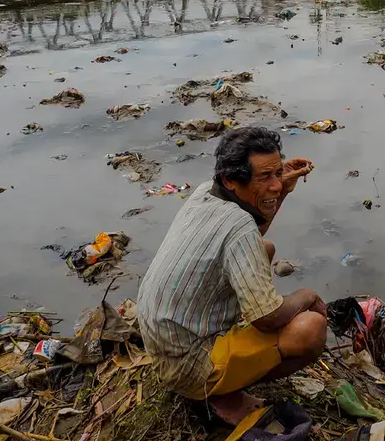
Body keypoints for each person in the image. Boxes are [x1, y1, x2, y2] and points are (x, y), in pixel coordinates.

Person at [138, 127, 327, 424]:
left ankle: (226, 376)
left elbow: (252, 233)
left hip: (166, 346)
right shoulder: (238, 225)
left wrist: (281, 189)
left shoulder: (206, 193)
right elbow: (267, 318)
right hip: (189, 366)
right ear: (230, 180)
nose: (276, 184)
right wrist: (307, 296)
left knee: (264, 249)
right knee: (310, 329)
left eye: (278, 173)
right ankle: (224, 392)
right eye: (265, 177)